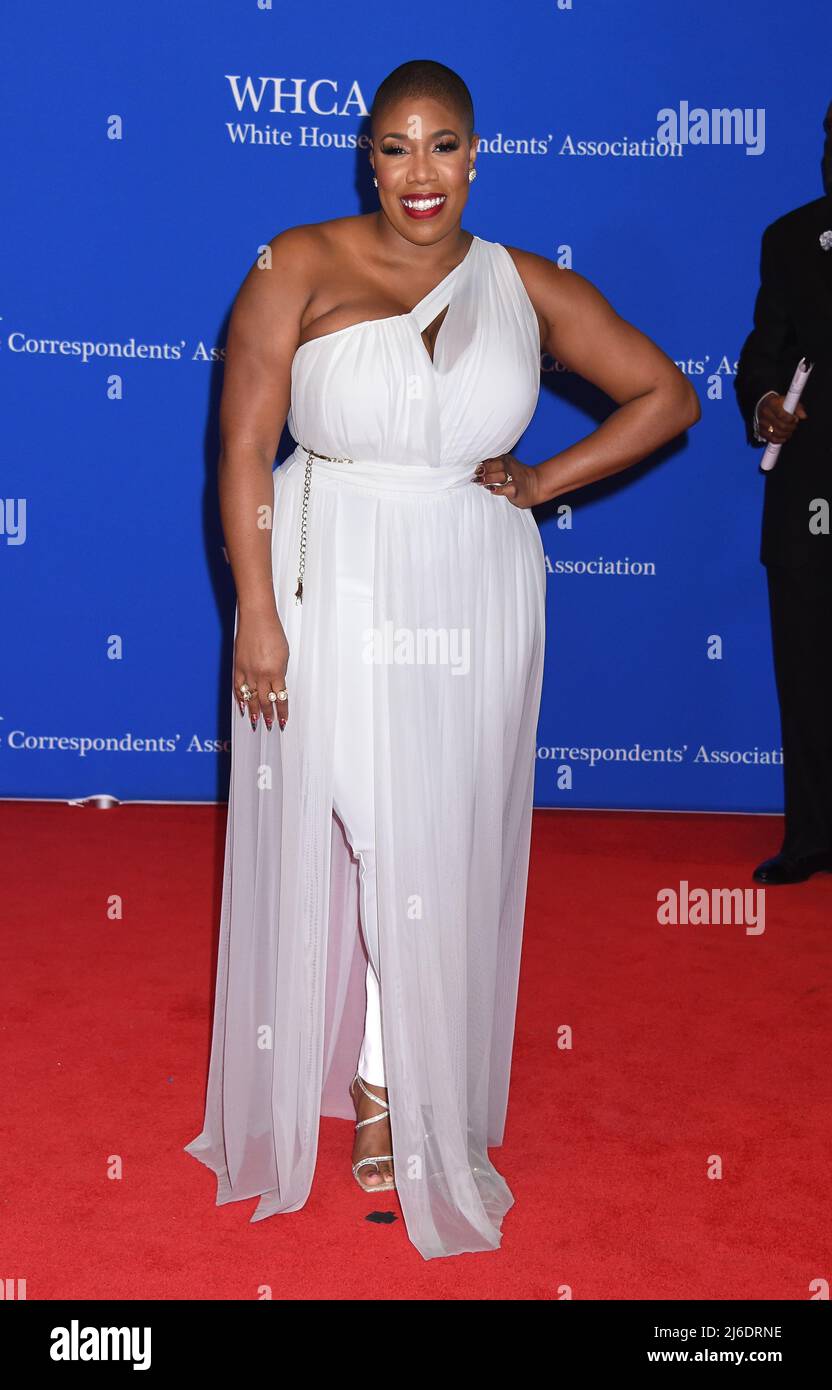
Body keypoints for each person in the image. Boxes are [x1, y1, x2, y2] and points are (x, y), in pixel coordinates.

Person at [183, 58, 699, 1261]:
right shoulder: (294, 262)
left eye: (445, 146)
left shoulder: (522, 284)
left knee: (433, 834)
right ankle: (375, 1072)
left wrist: (541, 481)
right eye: (398, 147)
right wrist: (257, 611)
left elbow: (664, 396)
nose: (422, 173)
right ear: (367, 156)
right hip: (332, 573)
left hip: (474, 582)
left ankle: (386, 1081)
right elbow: (242, 450)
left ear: (477, 155)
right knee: (372, 824)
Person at [735, 99, 832, 886]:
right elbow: (765, 354)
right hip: (807, 497)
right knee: (804, 673)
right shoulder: (791, 239)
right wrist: (765, 402)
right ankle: (810, 838)